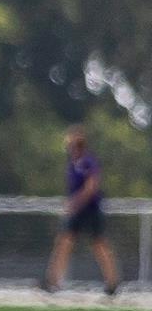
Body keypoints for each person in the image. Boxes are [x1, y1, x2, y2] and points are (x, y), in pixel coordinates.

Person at [42, 126, 121, 295]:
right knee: (64, 242)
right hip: (77, 211)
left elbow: (91, 186)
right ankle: (52, 281)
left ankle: (112, 282)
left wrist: (75, 202)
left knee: (99, 244)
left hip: (90, 209)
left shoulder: (88, 162)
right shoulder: (72, 164)